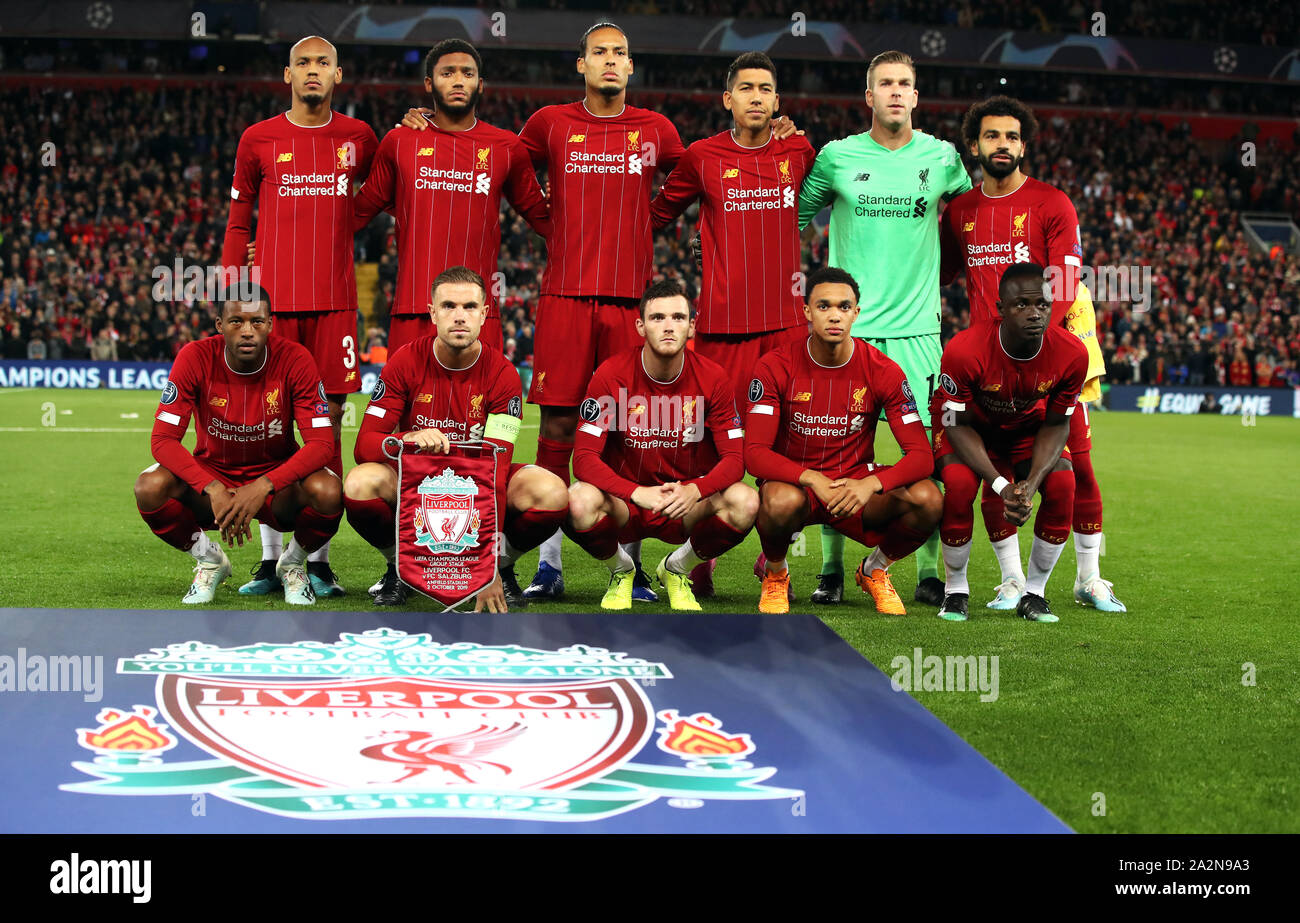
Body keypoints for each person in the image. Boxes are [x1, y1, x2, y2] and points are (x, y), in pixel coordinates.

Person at [797, 50, 971, 607]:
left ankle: (924, 570)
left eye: (905, 84)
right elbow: (787, 219)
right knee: (833, 452)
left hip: (919, 334)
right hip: (847, 332)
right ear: (867, 96)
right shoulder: (836, 157)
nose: (896, 92)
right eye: (885, 84)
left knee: (926, 452)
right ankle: (829, 569)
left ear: (916, 97)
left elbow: (975, 222)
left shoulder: (943, 159)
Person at [940, 95, 1124, 613]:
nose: (1004, 145)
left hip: (1047, 362)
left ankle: (1089, 579)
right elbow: (940, 272)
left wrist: (1034, 342)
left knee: (1077, 470)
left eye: (1013, 137)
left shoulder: (1052, 204)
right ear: (973, 144)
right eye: (993, 136)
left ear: (1025, 145)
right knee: (989, 474)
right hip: (984, 369)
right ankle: (1013, 580)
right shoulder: (960, 211)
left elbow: (1063, 284)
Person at [648, 51, 814, 599]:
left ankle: (774, 566)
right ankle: (699, 562)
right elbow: (654, 215)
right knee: (708, 447)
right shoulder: (701, 157)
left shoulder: (799, 150)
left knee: (777, 451)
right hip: (721, 327)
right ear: (728, 99)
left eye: (766, 88)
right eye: (746, 88)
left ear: (777, 101)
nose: (757, 97)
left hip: (786, 328)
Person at [221, 35, 377, 600]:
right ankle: (268, 561)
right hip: (273, 308)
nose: (313, 71)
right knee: (268, 422)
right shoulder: (258, 138)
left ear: (339, 74)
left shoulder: (359, 138)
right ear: (287, 74)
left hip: (335, 305)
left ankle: (315, 558)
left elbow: (383, 193)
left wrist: (328, 231)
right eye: (303, 63)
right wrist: (234, 292)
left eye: (323, 64)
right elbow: (239, 223)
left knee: (327, 425)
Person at [343, 267, 568, 610]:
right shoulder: (404, 361)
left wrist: (488, 566)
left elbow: (498, 469)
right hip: (415, 484)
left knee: (550, 491)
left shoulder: (503, 374)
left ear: (484, 313)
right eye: (448, 306)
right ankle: (398, 568)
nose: (459, 316)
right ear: (432, 312)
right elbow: (365, 446)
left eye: (469, 307)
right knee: (360, 482)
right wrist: (410, 438)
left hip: (477, 484)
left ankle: (504, 569)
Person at [745, 268, 942, 615]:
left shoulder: (883, 370)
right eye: (823, 306)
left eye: (843, 306)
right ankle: (776, 573)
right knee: (776, 501)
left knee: (928, 498)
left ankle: (875, 569)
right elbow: (755, 454)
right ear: (806, 311)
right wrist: (811, 478)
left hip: (854, 484)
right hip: (798, 487)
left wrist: (871, 485)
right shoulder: (775, 365)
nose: (834, 315)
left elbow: (921, 457)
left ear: (856, 313)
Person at [133, 290, 341, 606]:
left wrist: (263, 485)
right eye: (236, 321)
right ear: (220, 324)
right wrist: (212, 487)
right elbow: (162, 440)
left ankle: (292, 563)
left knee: (328, 490)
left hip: (276, 488)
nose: (247, 331)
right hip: (213, 479)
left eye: (257, 321)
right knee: (150, 486)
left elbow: (322, 444)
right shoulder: (194, 357)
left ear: (270, 324)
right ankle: (209, 560)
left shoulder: (296, 359)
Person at [566, 280, 756, 611]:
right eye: (657, 318)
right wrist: (634, 492)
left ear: (692, 326)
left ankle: (676, 569)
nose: (668, 326)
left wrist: (696, 490)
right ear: (640, 325)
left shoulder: (714, 378)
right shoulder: (611, 375)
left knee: (746, 501)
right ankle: (622, 570)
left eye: (678, 317)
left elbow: (735, 460)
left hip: (685, 504)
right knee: (577, 500)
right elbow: (583, 459)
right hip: (627, 503)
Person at [353, 39, 550, 356]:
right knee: (409, 406)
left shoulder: (506, 147)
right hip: (414, 308)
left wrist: (563, 193)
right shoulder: (400, 141)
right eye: (448, 73)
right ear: (429, 83)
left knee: (477, 407)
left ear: (480, 84)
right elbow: (354, 215)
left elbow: (545, 221)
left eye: (467, 73)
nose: (458, 80)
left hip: (479, 313)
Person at [930, 263, 1088, 623]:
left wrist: (1030, 484)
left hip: (1024, 426)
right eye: (1021, 305)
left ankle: (1034, 593)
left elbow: (1057, 424)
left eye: (1043, 305)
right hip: (967, 425)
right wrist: (1001, 485)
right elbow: (956, 423)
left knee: (1063, 481)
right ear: (1000, 309)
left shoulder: (1072, 355)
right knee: (958, 485)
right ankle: (955, 592)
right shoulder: (964, 350)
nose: (1034, 313)